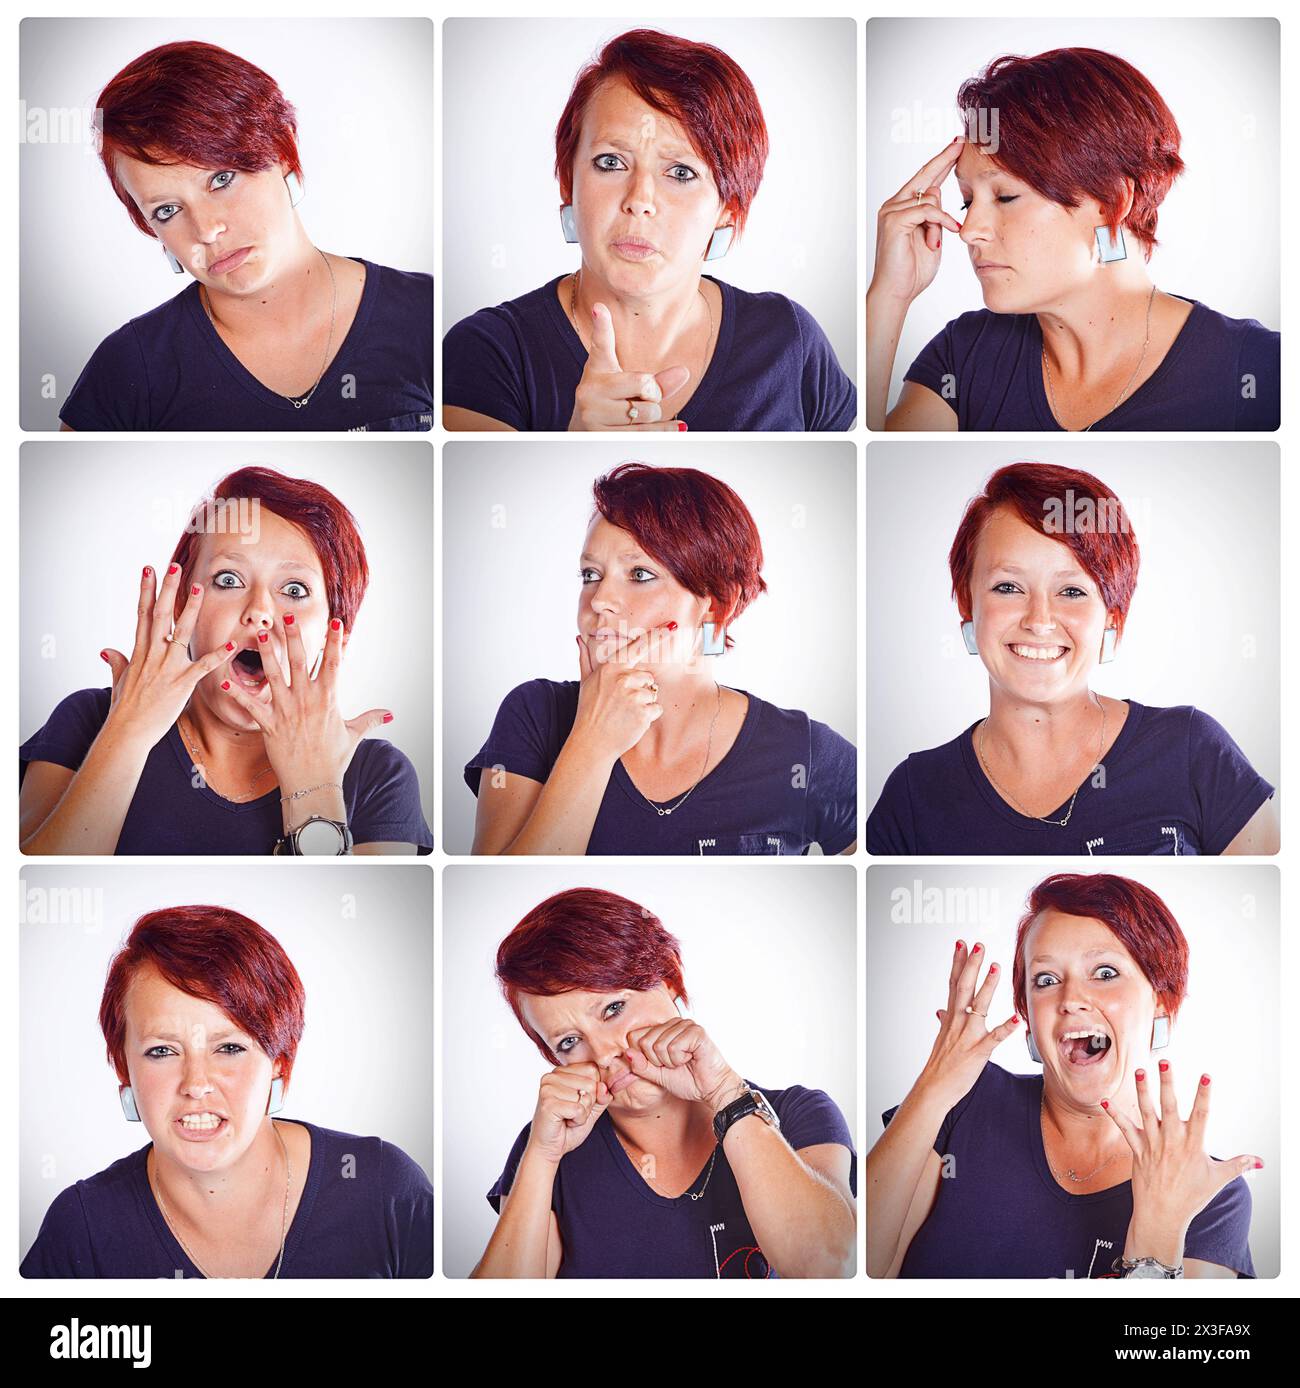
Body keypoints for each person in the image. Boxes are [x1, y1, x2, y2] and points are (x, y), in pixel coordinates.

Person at [444, 28, 855, 432]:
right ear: (569, 181)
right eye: (610, 163)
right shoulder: (487, 350)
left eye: (680, 172)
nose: (639, 199)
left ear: (728, 208)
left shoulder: (788, 340)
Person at [866, 461, 1277, 855]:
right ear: (968, 605)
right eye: (1008, 587)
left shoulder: (1192, 749)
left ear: (1112, 616)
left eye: (1072, 591)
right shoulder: (914, 794)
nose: (1039, 621)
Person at [867, 872, 1261, 1278]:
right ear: (1028, 1014)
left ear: (1160, 999)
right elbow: (855, 1267)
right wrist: (933, 1086)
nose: (1071, 1000)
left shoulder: (1209, 1192)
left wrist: (1158, 1232)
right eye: (1047, 980)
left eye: (1105, 973)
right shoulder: (965, 1100)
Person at [20, 467, 432, 855]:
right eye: (228, 580)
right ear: (183, 605)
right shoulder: (91, 718)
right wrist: (127, 731)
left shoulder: (379, 774)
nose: (259, 611)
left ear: (334, 627)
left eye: (294, 589)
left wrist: (314, 787)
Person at [867, 48, 1279, 431]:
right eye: (967, 201)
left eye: (1006, 196)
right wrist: (889, 296)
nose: (970, 230)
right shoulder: (964, 355)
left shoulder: (1261, 369)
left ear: (1112, 204)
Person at [465, 462, 857, 854]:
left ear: (717, 606)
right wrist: (592, 741)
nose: (599, 600)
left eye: (639, 574)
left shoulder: (804, 751)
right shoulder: (534, 714)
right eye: (590, 575)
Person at [21, 906, 433, 1278]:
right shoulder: (82, 1227)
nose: (196, 1084)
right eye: (162, 1051)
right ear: (124, 1069)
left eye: (229, 1048)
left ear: (279, 1062)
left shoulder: (384, 1189)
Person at [474, 888, 856, 1278]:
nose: (605, 1053)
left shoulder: (797, 1115)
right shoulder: (548, 1148)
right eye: (569, 1041)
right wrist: (541, 1156)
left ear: (669, 979)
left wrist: (727, 1093)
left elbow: (831, 1267)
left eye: (613, 1008)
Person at [59, 40, 432, 431]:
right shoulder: (127, 370)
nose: (206, 230)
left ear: (283, 154)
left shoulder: (427, 315)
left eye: (221, 180)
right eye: (167, 210)